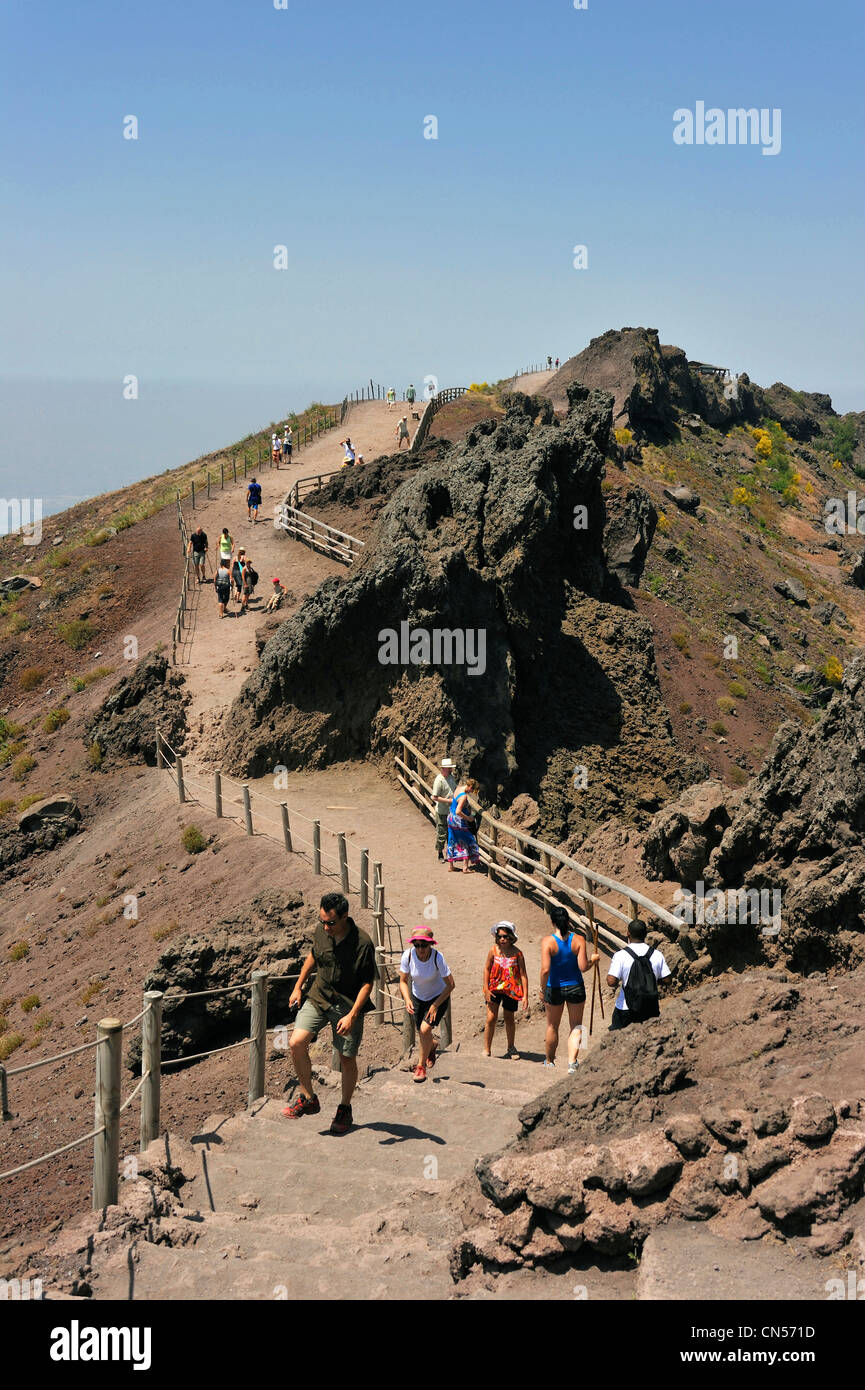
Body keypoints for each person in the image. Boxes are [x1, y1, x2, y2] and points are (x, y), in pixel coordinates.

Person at [284, 892, 376, 1134]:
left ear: (345, 916)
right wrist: (298, 987)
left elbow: (368, 983)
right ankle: (308, 1098)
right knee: (296, 1043)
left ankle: (344, 1108)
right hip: (319, 995)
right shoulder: (321, 931)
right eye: (322, 921)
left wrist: (353, 1015)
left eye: (331, 922)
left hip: (347, 1003)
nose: (325, 927)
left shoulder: (363, 944)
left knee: (346, 1058)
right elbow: (314, 956)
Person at [540, 905, 599, 1072]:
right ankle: (572, 1062)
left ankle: (549, 1061)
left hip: (555, 987)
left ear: (553, 922)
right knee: (576, 1025)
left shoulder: (547, 942)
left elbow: (545, 970)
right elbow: (583, 967)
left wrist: (542, 989)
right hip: (575, 986)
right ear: (568, 921)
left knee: (552, 1025)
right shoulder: (578, 940)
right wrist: (593, 960)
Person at [399, 926, 455, 1083]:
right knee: (422, 1032)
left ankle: (420, 1067)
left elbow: (451, 985)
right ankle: (432, 1045)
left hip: (438, 997)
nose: (420, 949)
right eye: (416, 945)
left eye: (424, 945)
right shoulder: (408, 956)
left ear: (430, 944)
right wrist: (407, 998)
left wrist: (436, 1005)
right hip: (417, 997)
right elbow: (402, 981)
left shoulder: (438, 958)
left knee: (424, 1029)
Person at [607, 919, 671, 1029]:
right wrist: (651, 980)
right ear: (646, 934)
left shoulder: (620, 955)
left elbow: (611, 982)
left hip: (626, 1008)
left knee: (618, 1042)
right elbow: (667, 980)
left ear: (628, 933)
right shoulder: (656, 954)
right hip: (650, 1008)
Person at [483, 922, 528, 1059]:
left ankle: (511, 1047)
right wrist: (485, 987)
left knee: (509, 1018)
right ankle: (487, 1049)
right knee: (491, 1018)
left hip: (511, 990)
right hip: (494, 988)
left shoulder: (518, 954)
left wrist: (525, 995)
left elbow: (523, 974)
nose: (502, 939)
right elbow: (487, 969)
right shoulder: (493, 951)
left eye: (505, 936)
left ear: (511, 937)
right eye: (500, 936)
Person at [446, 777, 480, 872]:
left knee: (452, 840)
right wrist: (469, 818)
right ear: (469, 786)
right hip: (458, 821)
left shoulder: (458, 788)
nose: (472, 792)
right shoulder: (464, 796)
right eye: (472, 789)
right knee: (467, 840)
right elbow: (458, 811)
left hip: (450, 818)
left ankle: (451, 866)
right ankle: (465, 867)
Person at [431, 756, 457, 860]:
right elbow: (435, 797)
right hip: (442, 811)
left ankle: (450, 853)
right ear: (444, 769)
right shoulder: (439, 780)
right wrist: (449, 801)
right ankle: (440, 853)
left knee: (451, 833)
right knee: (441, 834)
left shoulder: (451, 777)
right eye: (449, 768)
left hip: (451, 811)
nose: (451, 769)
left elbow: (454, 789)